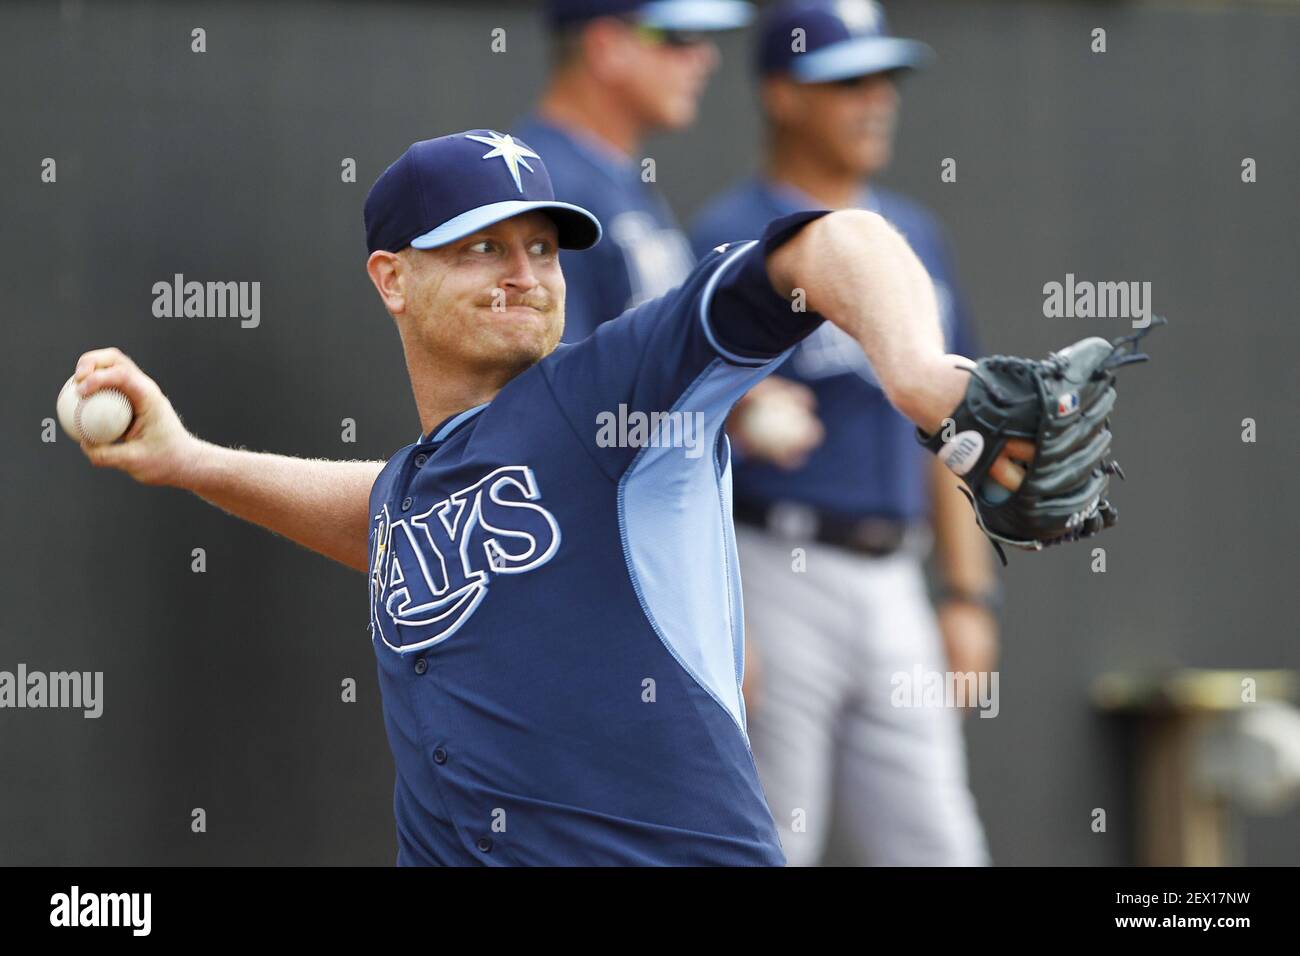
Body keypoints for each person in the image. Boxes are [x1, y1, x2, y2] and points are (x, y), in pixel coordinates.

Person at [71, 128, 1029, 866]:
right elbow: (382, 514)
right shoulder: (422, 483)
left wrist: (912, 371)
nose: (525, 275)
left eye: (543, 247)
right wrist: (188, 459)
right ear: (391, 279)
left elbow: (835, 241)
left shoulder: (614, 396)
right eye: (482, 248)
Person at [690, 0, 995, 865]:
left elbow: (951, 422)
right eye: (846, 82)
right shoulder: (727, 233)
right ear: (783, 94)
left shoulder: (917, 236)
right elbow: (669, 436)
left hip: (894, 576)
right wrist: (715, 613)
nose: (875, 101)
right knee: (770, 840)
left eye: (883, 80)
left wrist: (968, 593)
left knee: (938, 844)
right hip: (769, 566)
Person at [515, 0, 753, 341]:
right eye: (680, 36)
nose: (706, 59)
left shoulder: (611, 170)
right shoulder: (543, 184)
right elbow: (552, 379)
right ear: (605, 47)